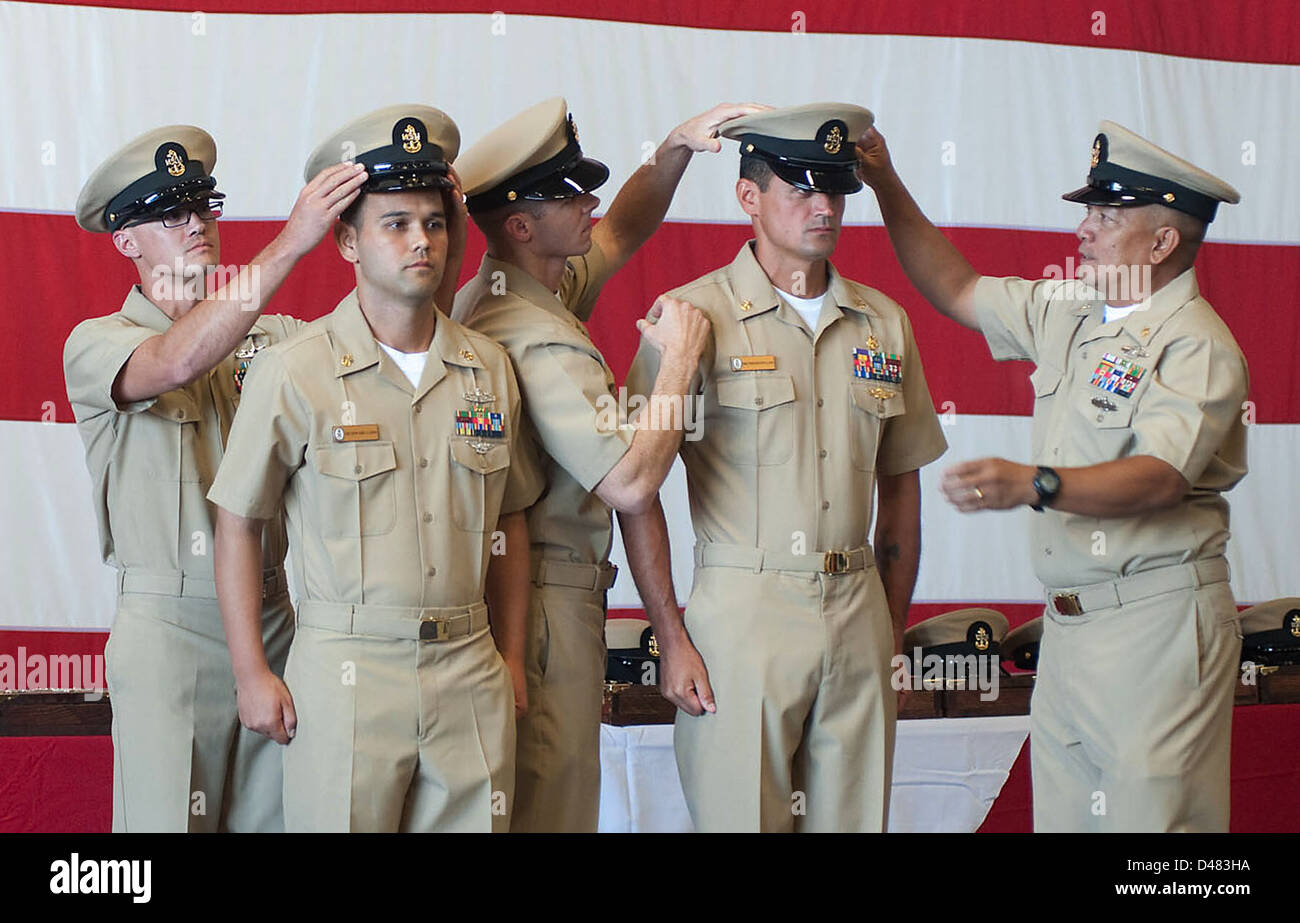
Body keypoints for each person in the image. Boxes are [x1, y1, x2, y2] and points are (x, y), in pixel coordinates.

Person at [858, 119, 1247, 832]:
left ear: (1162, 243)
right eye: (1088, 211)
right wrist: (884, 182)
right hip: (1069, 631)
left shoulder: (1198, 345)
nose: (1084, 230)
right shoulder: (1073, 312)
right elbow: (956, 287)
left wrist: (1036, 483)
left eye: (1106, 215)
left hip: (1154, 627)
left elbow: (1160, 477)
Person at [207, 104, 544, 832]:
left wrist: (511, 657)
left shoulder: (488, 367)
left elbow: (510, 520)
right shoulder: (294, 372)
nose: (420, 240)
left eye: (433, 221)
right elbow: (237, 522)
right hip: (347, 669)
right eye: (394, 223)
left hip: (470, 669)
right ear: (348, 242)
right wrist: (250, 672)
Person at [619, 103, 948, 832]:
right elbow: (634, 491)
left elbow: (901, 487)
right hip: (744, 614)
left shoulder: (883, 323)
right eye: (800, 188)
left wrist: (888, 628)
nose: (822, 206)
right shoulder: (689, 318)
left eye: (833, 188)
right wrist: (670, 637)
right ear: (748, 197)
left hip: (858, 604)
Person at [451, 98, 756, 832]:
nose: (590, 203)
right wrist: (679, 359)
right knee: (551, 810)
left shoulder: (518, 287)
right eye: (569, 194)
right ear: (522, 225)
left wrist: (677, 148)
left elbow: (622, 227)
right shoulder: (532, 335)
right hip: (547, 606)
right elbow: (629, 478)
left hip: (538, 595)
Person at [63, 125, 367, 832]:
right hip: (171, 629)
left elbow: (375, 336)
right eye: (171, 214)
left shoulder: (274, 337)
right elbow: (174, 361)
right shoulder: (97, 341)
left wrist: (406, 224)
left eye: (204, 207)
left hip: (273, 618)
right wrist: (293, 238)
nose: (196, 225)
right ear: (126, 241)